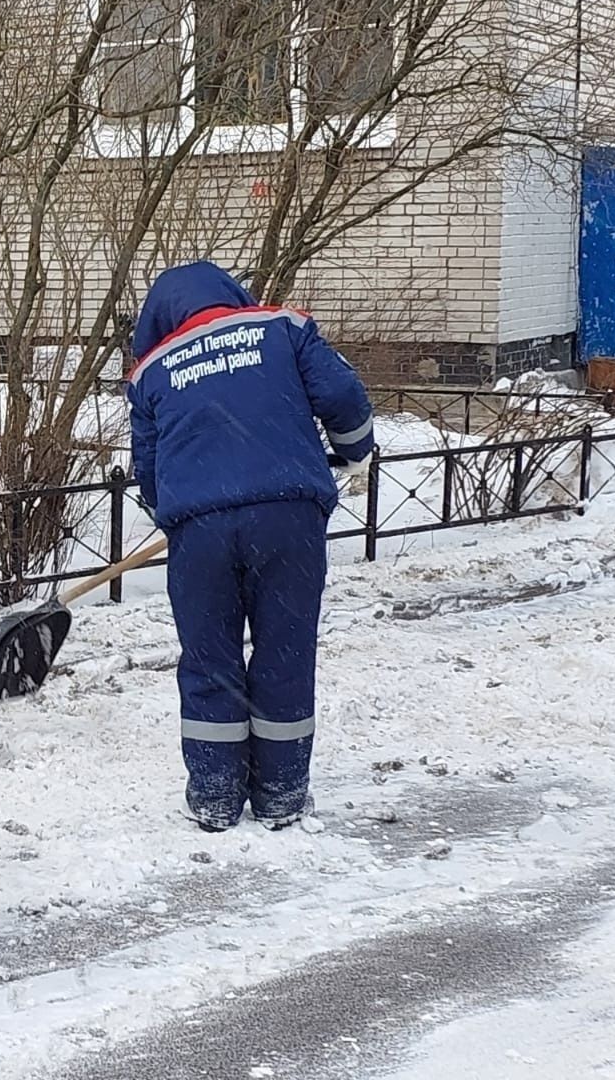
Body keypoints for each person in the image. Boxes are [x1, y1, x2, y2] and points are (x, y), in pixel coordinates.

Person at [126, 261, 375, 832]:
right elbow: (343, 396)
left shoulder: (151, 372)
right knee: (284, 650)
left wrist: (185, 512)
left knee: (209, 657)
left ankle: (214, 795)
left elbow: (149, 469)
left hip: (200, 529)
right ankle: (281, 793)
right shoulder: (283, 328)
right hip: (287, 514)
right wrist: (355, 451)